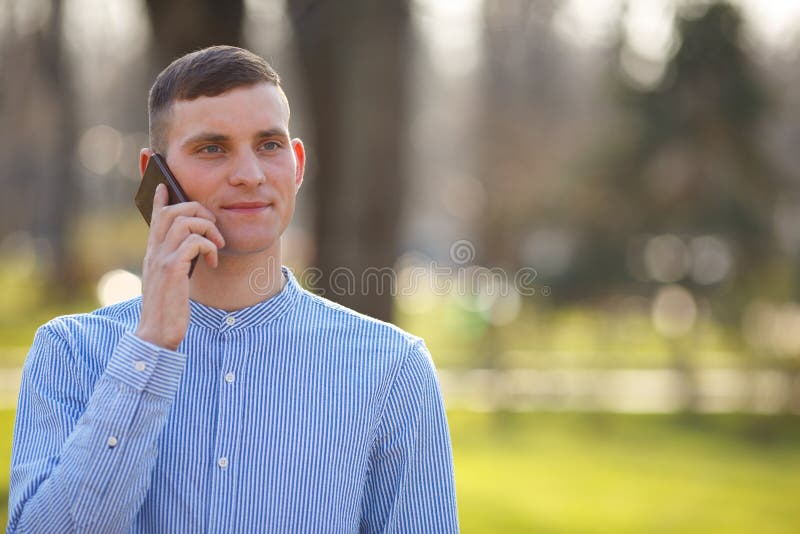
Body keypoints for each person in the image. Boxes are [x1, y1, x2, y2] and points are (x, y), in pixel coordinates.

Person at [7, 45, 459, 533]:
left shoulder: (391, 368)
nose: (249, 174)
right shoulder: (70, 353)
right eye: (212, 148)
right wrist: (150, 347)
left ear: (297, 164)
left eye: (269, 145)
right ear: (154, 175)